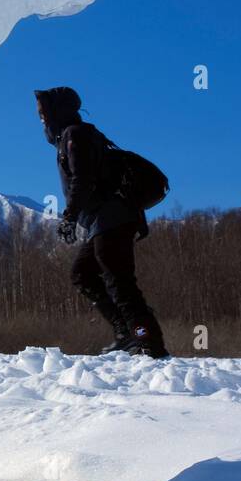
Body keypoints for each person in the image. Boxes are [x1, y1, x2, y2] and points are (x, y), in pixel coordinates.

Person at [34, 87, 167, 358]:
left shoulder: (76, 135)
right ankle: (126, 333)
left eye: (43, 112)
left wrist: (69, 217)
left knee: (120, 283)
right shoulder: (74, 136)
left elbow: (82, 180)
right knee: (82, 273)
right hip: (103, 222)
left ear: (58, 111)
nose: (41, 119)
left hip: (113, 219)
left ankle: (147, 341)